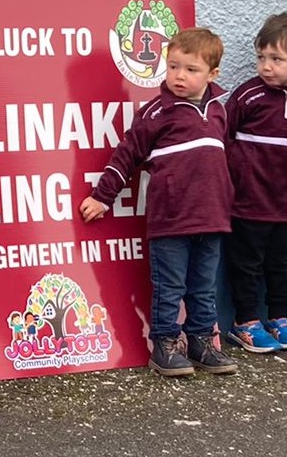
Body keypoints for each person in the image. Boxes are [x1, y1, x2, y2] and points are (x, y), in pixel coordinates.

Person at [80, 28, 238, 378]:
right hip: (171, 220)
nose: (180, 76)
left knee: (203, 286)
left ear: (212, 75)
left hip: (212, 218)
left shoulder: (218, 111)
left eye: (191, 69)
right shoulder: (156, 113)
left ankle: (201, 340)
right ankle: (165, 344)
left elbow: (228, 163)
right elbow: (127, 154)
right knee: (170, 286)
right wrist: (102, 196)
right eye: (174, 66)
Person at [223, 12, 287, 354]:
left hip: (282, 205)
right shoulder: (247, 96)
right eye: (261, 57)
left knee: (281, 265)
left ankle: (279, 317)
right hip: (246, 203)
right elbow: (223, 140)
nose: (266, 66)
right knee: (246, 264)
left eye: (277, 59)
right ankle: (245, 321)